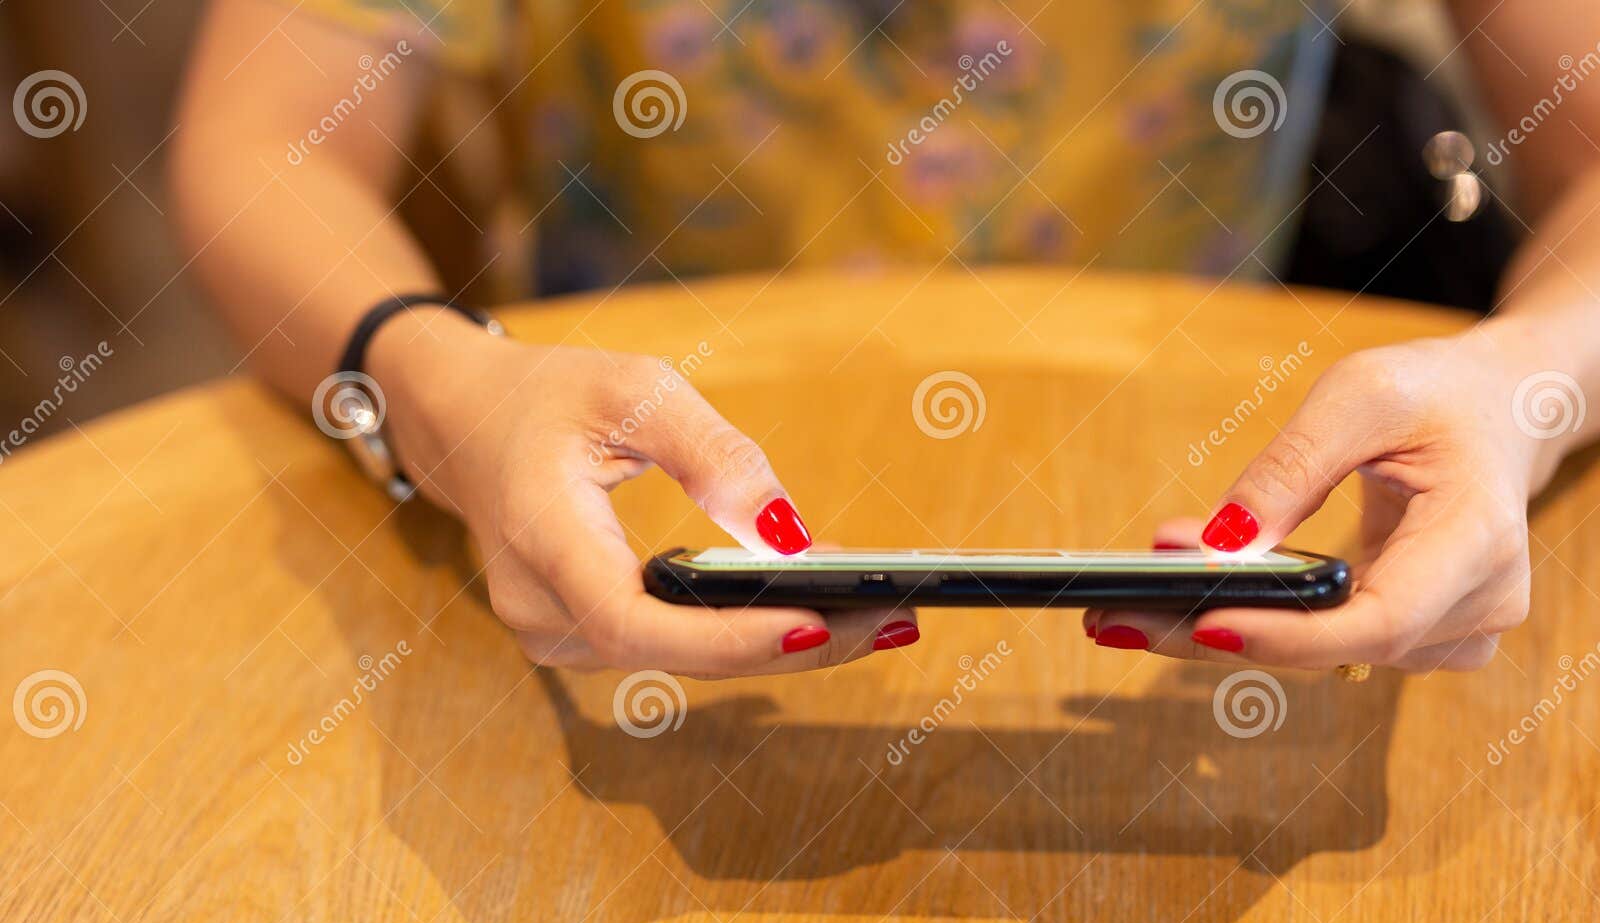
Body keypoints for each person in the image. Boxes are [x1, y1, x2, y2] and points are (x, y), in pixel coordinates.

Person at [172, 0, 1600, 677]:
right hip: (620, 498)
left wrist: (1523, 380)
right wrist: (442, 383)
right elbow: (264, 143)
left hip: (1198, 461)